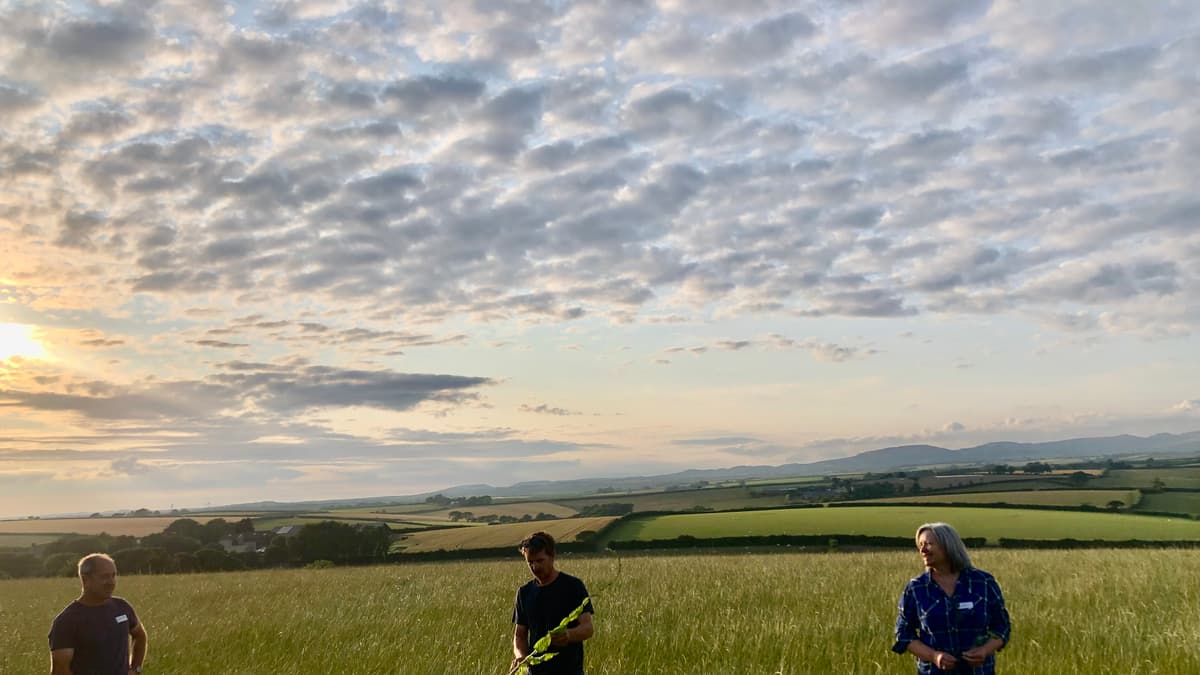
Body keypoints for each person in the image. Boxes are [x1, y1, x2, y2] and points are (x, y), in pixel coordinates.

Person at [893, 522, 1011, 674]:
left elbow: (1002, 625)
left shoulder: (983, 582)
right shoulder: (916, 588)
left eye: (929, 544)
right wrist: (934, 656)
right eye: (920, 545)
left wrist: (985, 650)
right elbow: (903, 632)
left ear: (948, 546)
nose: (923, 550)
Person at [49, 553, 148, 675]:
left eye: (113, 575)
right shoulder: (67, 620)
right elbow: (60, 670)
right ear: (85, 580)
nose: (111, 582)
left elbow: (140, 635)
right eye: (104, 577)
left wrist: (136, 669)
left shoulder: (122, 607)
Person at [511, 531, 595, 675]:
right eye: (530, 562)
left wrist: (569, 635)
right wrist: (521, 657)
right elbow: (520, 636)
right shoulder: (524, 593)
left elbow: (588, 628)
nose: (535, 567)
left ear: (552, 556)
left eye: (540, 561)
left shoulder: (573, 586)